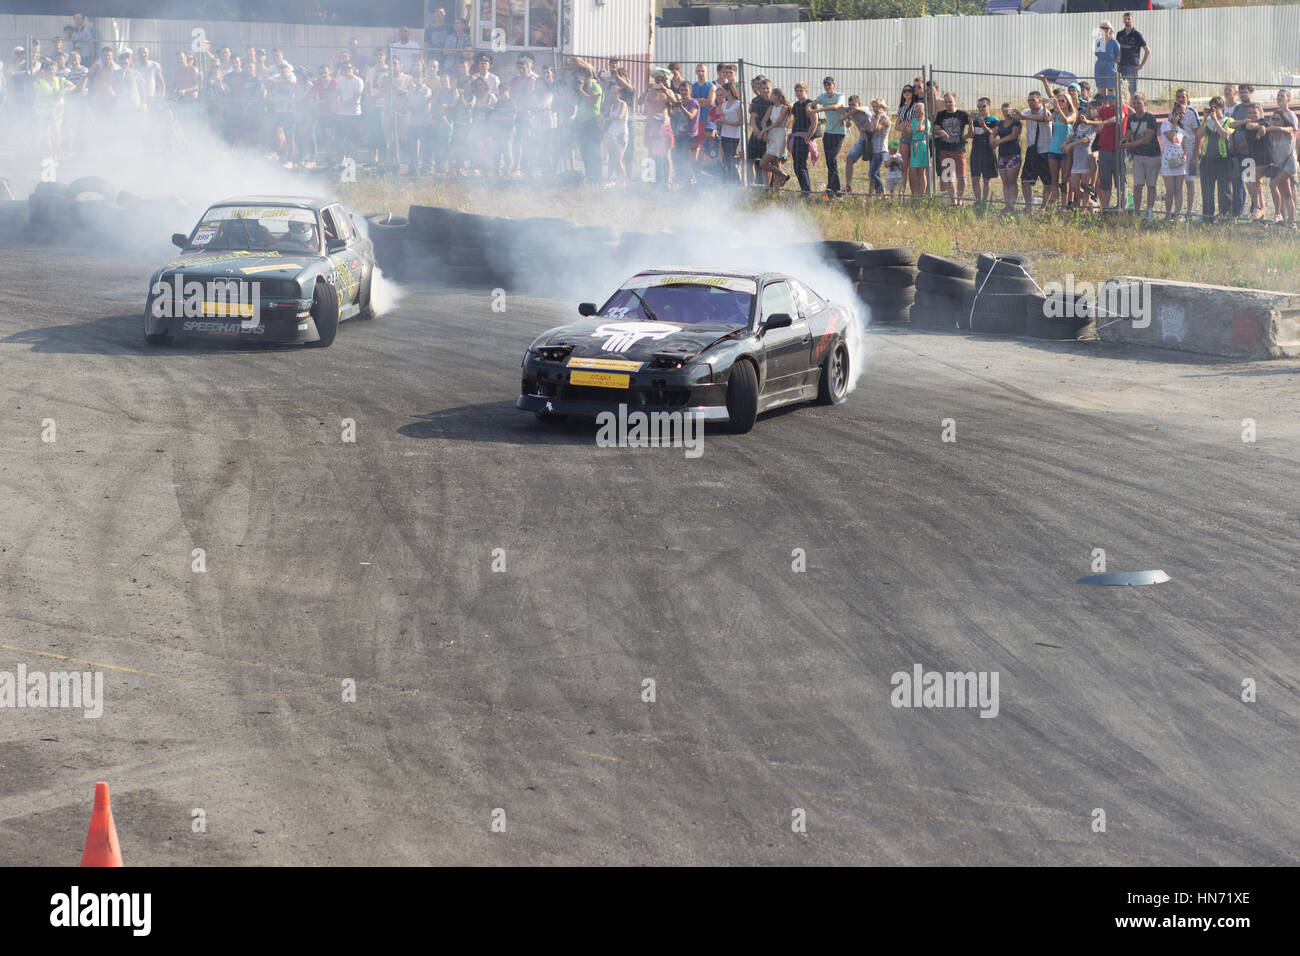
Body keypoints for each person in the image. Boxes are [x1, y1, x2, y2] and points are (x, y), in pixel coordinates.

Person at [1121, 92, 1161, 219]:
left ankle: (1149, 211)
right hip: (1138, 156)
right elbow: (1128, 133)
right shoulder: (1132, 118)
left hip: (1152, 155)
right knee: (1137, 185)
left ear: (1145, 103)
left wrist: (1130, 145)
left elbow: (1147, 139)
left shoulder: (1150, 118)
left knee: (1151, 185)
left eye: (1139, 103)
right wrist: (1122, 141)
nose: (1136, 105)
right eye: (1134, 103)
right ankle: (1136, 211)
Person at [1089, 88, 1129, 210]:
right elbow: (1092, 115)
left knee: (1121, 182)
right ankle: (1105, 208)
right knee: (1105, 182)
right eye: (1109, 97)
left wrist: (1104, 123)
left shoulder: (1122, 108)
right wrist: (1090, 106)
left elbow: (1119, 117)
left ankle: (1122, 207)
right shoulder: (1105, 109)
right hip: (1104, 150)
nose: (1110, 100)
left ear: (1121, 98)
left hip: (1118, 150)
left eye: (1113, 97)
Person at [1199, 97, 1235, 223]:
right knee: (1207, 191)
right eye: (1211, 107)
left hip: (1223, 160)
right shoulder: (1208, 122)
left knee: (1224, 190)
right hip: (1207, 160)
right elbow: (1198, 135)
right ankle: (1207, 218)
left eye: (1216, 107)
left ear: (1222, 108)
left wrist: (1215, 119)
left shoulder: (1229, 120)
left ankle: (1225, 217)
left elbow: (1225, 134)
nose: (1213, 110)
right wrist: (1204, 120)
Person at [933, 91, 971, 202]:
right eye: (946, 102)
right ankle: (953, 201)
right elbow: (935, 128)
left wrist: (967, 135)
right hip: (945, 150)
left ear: (955, 101)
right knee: (949, 178)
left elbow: (972, 126)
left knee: (962, 178)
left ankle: (960, 200)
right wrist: (940, 131)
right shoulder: (941, 114)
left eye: (950, 102)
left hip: (959, 150)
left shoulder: (963, 114)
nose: (948, 104)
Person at [811, 76, 845, 194]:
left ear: (833, 85)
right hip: (828, 132)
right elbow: (813, 103)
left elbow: (836, 106)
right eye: (825, 85)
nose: (827, 87)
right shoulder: (822, 96)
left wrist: (818, 110)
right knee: (829, 161)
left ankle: (836, 188)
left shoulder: (840, 96)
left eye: (829, 84)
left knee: (832, 159)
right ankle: (832, 188)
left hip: (839, 132)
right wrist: (808, 107)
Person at [1160, 102, 1190, 220]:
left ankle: (1177, 215)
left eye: (1183, 113)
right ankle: (1168, 214)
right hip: (1168, 160)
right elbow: (1172, 138)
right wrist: (1174, 124)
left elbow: (1183, 144)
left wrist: (1185, 155)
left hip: (1179, 161)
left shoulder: (1181, 129)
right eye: (1179, 113)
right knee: (1170, 190)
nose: (1181, 115)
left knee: (1179, 189)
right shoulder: (1165, 124)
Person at [759, 87, 791, 188]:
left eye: (772, 94)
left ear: (777, 96)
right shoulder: (771, 108)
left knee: (763, 163)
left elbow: (778, 122)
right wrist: (765, 130)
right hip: (771, 135)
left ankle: (784, 175)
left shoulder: (784, 108)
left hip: (779, 135)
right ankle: (777, 190)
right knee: (774, 163)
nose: (770, 96)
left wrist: (765, 130)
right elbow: (764, 121)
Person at [599, 74, 628, 183]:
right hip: (612, 135)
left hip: (621, 135)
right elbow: (603, 114)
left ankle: (623, 182)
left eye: (615, 93)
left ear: (619, 94)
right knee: (611, 159)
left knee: (618, 160)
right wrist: (600, 117)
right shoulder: (610, 106)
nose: (613, 95)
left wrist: (606, 119)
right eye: (611, 93)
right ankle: (609, 180)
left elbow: (620, 116)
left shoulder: (623, 104)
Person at [993, 103, 1022, 212]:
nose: (1006, 113)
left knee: (1012, 180)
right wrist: (992, 139)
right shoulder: (1000, 123)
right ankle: (1007, 205)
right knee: (1005, 181)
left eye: (1008, 110)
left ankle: (1012, 205)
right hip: (1002, 154)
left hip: (1013, 154)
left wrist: (998, 141)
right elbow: (993, 132)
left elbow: (1013, 136)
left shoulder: (1016, 122)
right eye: (1004, 110)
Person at [969, 97, 998, 202]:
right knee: (975, 178)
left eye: (984, 106)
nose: (981, 109)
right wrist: (971, 123)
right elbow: (971, 135)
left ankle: (985, 202)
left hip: (988, 151)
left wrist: (984, 126)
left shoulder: (994, 120)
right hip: (976, 150)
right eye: (979, 107)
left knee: (986, 179)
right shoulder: (976, 120)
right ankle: (978, 201)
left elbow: (994, 134)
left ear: (989, 106)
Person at [788, 82, 815, 193]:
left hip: (804, 137)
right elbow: (794, 119)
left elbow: (814, 122)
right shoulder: (795, 105)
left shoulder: (810, 104)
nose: (799, 93)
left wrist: (808, 137)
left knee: (802, 164)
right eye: (797, 91)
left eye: (801, 90)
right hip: (796, 136)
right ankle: (803, 188)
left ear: (806, 91)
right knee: (796, 165)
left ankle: (807, 190)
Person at [1116, 12, 1149, 95]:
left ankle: (1133, 107)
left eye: (1129, 19)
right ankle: (1121, 107)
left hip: (1132, 66)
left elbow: (1147, 51)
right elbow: (1116, 48)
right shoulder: (1120, 34)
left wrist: (1141, 65)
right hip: (1120, 65)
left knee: (1132, 91)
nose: (1127, 21)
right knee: (1118, 89)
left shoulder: (1137, 35)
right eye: (1125, 19)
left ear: (1132, 20)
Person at [717, 81, 743, 183]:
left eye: (723, 91)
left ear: (729, 91)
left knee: (732, 160)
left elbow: (741, 122)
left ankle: (737, 181)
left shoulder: (738, 104)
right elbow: (723, 118)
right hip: (725, 134)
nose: (722, 93)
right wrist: (720, 122)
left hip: (734, 136)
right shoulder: (724, 104)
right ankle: (730, 181)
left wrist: (726, 122)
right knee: (727, 159)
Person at [896, 82, 920, 186]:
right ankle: (902, 194)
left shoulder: (917, 106)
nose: (907, 93)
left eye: (909, 91)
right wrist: (905, 125)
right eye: (904, 91)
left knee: (913, 168)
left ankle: (915, 194)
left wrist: (904, 125)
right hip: (904, 139)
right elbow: (896, 126)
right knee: (903, 166)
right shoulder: (901, 108)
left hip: (915, 138)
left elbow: (916, 123)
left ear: (913, 93)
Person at [909, 102, 931, 196]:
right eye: (915, 111)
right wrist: (919, 119)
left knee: (922, 172)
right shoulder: (914, 121)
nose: (916, 114)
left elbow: (919, 129)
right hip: (915, 145)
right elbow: (916, 129)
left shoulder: (927, 122)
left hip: (922, 146)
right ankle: (915, 193)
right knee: (913, 171)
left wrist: (922, 118)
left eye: (919, 112)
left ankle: (922, 194)